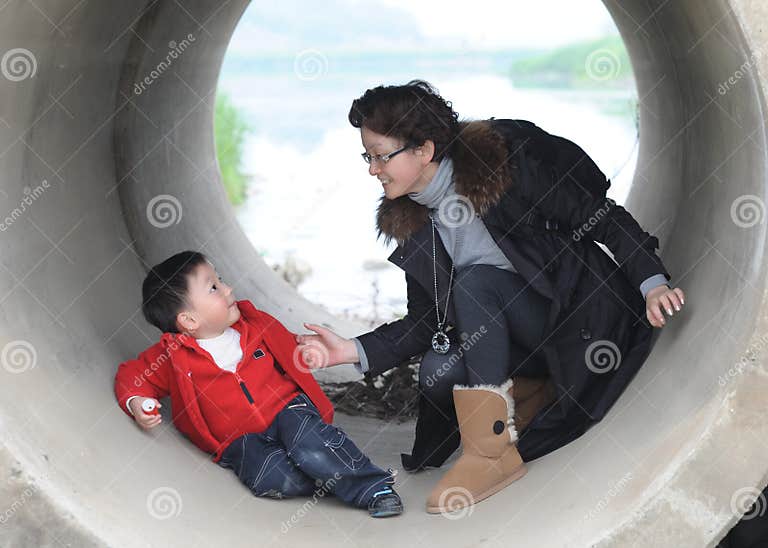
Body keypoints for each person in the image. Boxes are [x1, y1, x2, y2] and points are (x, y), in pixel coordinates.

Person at [296, 80, 686, 514]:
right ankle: (528, 391)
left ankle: (489, 455)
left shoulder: (505, 172)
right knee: (439, 370)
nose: (372, 169)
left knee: (476, 282)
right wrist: (350, 350)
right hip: (516, 337)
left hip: (576, 321)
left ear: (424, 150)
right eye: (367, 156)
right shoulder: (414, 220)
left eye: (381, 156)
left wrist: (652, 283)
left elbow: (602, 218)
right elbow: (427, 322)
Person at [114, 251, 403, 518]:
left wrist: (313, 351)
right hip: (242, 442)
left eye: (221, 280)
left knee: (308, 442)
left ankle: (372, 487)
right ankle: (323, 471)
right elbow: (132, 376)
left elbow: (289, 347)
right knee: (271, 478)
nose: (227, 289)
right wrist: (137, 401)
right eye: (213, 287)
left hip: (287, 409)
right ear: (189, 319)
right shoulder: (172, 357)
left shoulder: (254, 327)